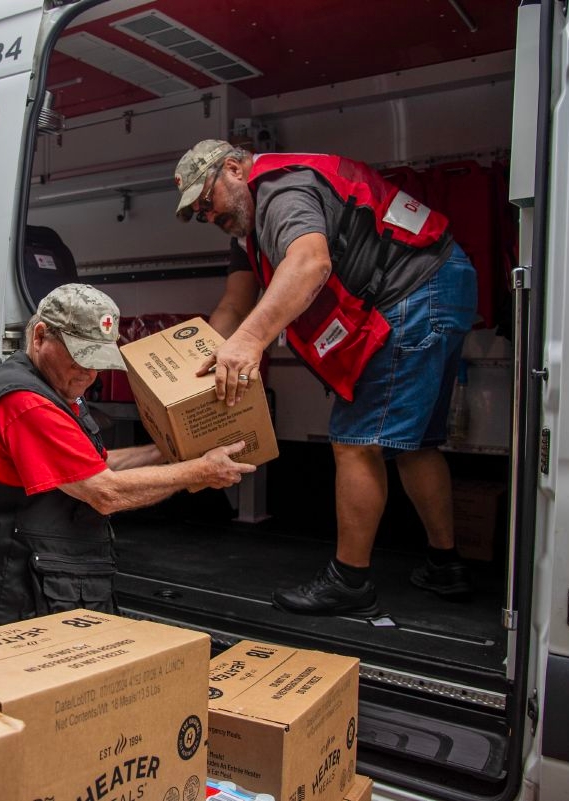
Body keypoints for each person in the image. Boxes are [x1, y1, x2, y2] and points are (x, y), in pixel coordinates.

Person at [173, 140, 477, 616]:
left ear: (234, 169)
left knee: (355, 442)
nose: (206, 216)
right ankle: (446, 564)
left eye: (205, 203)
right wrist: (184, 372)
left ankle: (349, 582)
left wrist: (251, 342)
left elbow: (310, 263)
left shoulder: (279, 191)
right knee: (415, 443)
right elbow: (234, 306)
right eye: (196, 214)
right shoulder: (248, 234)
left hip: (416, 290)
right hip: (437, 282)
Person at [0, 283, 255, 635]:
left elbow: (96, 464)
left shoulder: (56, 389)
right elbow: (105, 492)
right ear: (40, 337)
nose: (90, 374)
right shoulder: (25, 403)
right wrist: (197, 472)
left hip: (12, 601)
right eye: (81, 357)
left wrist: (168, 449)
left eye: (99, 362)